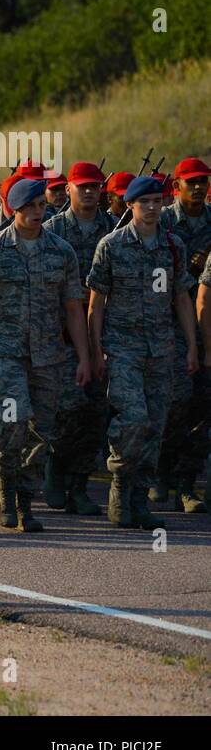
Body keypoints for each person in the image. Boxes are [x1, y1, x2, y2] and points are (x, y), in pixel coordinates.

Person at [0, 178, 89, 532]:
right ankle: (5, 485)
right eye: (28, 207)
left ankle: (25, 497)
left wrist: (83, 356)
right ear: (13, 209)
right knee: (13, 418)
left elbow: (72, 308)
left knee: (43, 430)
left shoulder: (62, 252)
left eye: (40, 205)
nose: (37, 212)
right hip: (6, 355)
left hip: (50, 356)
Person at [87, 176, 199, 529]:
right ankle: (120, 484)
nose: (152, 207)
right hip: (123, 348)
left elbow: (181, 298)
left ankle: (139, 496)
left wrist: (192, 345)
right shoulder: (112, 245)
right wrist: (95, 350)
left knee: (155, 424)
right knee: (133, 418)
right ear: (131, 204)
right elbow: (96, 303)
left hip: (162, 350)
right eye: (145, 202)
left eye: (157, 201)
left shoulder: (172, 246)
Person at [41, 162, 114, 514]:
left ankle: (80, 486)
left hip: (102, 334)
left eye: (95, 187)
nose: (89, 192)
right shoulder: (51, 231)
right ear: (67, 189)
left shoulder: (113, 229)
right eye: (82, 186)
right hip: (62, 337)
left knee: (96, 411)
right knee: (67, 409)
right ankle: (55, 469)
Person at [155, 157, 211, 512]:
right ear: (176, 186)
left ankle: (186, 484)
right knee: (173, 404)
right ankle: (160, 472)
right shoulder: (159, 221)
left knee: (203, 407)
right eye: (191, 182)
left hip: (207, 322)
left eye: (203, 181)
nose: (198, 187)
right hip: (165, 325)